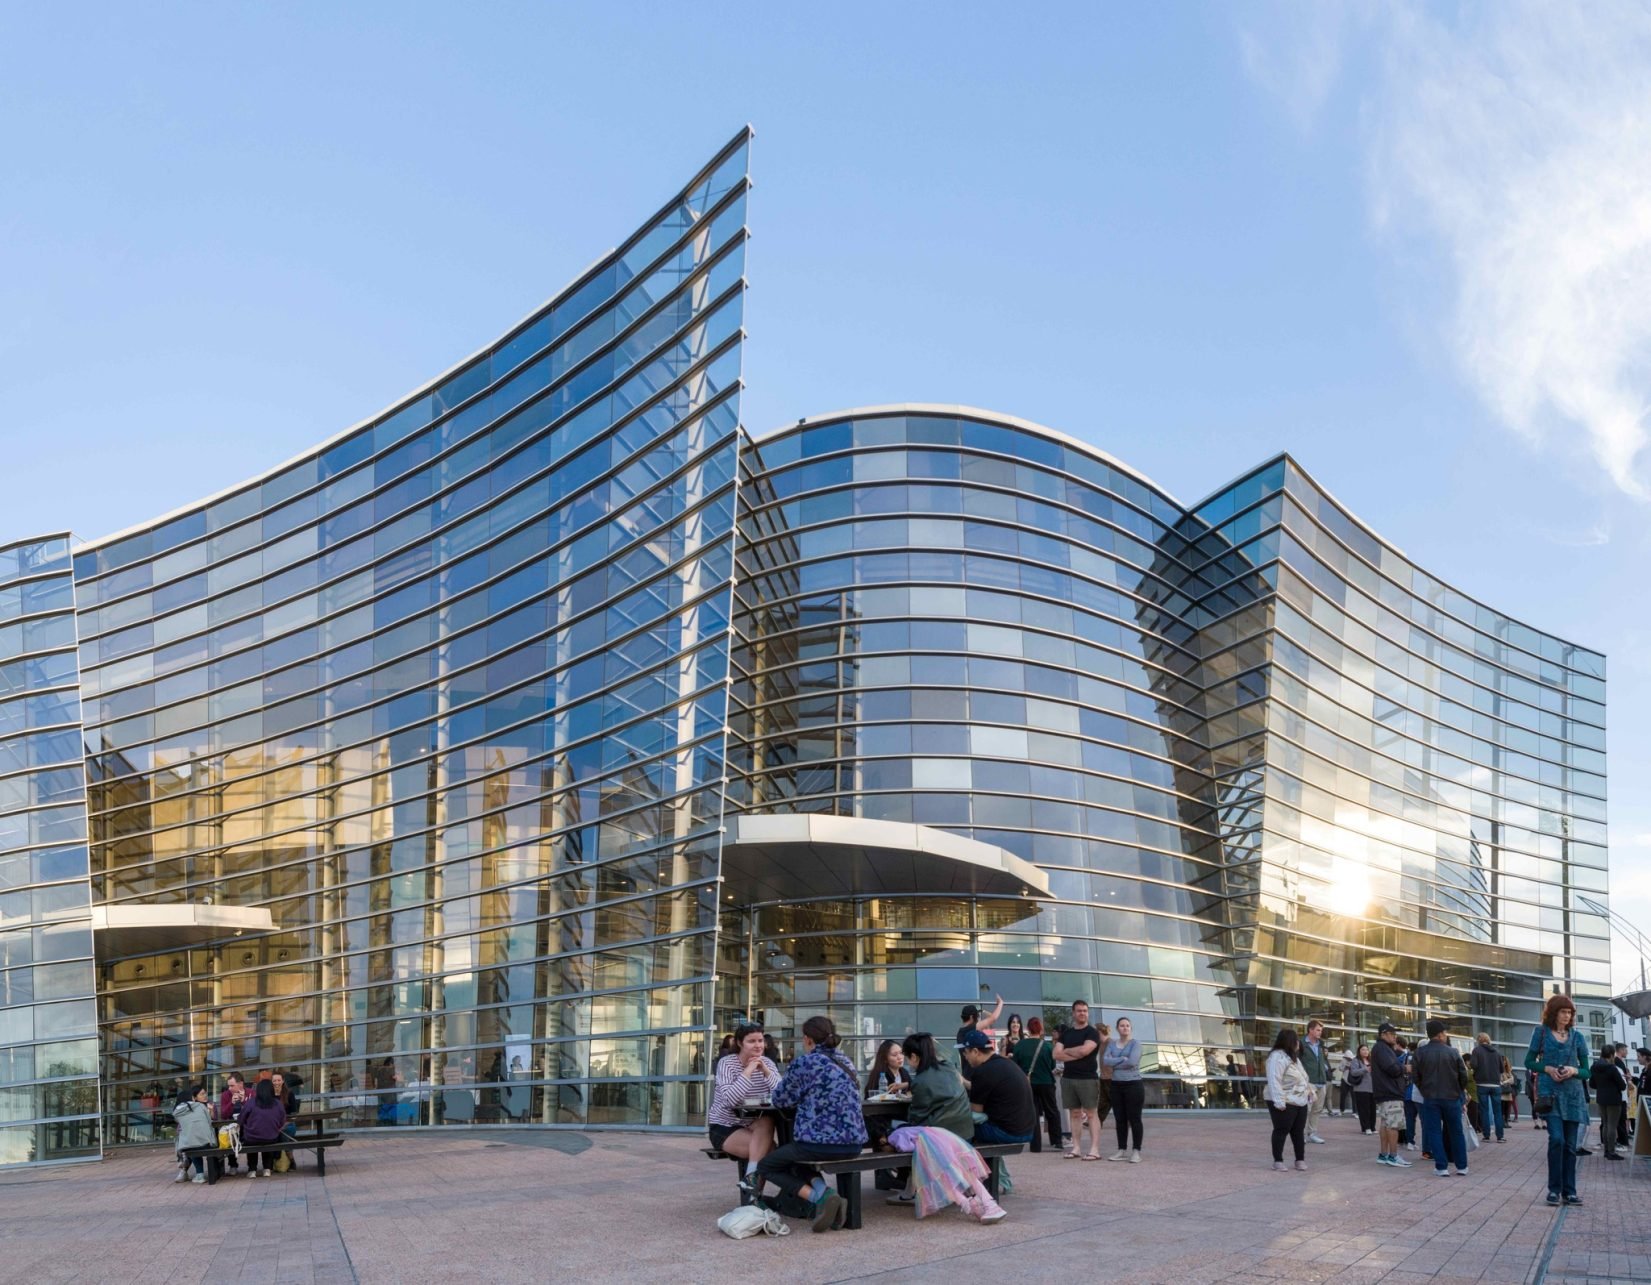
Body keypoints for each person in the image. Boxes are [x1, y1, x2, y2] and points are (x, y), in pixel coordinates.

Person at [752, 1016, 865, 1232]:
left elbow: (781, 1100)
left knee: (767, 1166)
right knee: (793, 1159)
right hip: (854, 1144)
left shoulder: (806, 1063)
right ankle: (827, 1195)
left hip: (818, 1142)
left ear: (807, 1039)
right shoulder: (845, 1061)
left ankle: (819, 1197)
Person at [1525, 992, 1589, 1207]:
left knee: (1570, 1145)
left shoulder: (1578, 1037)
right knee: (1557, 1140)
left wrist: (1573, 1070)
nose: (1566, 1016)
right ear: (1553, 1013)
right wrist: (1548, 1069)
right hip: (1549, 1094)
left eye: (1569, 1012)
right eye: (1563, 1011)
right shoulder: (1541, 1033)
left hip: (1573, 1096)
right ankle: (1554, 1189)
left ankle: (1569, 1191)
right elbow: (1528, 1062)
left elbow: (1587, 1071)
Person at [706, 1023, 780, 1192]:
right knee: (771, 1151)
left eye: (760, 1040)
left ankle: (751, 1178)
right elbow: (730, 1100)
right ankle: (753, 1195)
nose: (758, 1045)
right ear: (740, 1043)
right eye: (751, 1041)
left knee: (767, 1121)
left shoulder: (767, 1062)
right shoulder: (727, 1063)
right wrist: (748, 1071)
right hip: (725, 1125)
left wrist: (767, 1072)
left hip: (753, 1124)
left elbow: (782, 1095)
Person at [959, 1029, 1036, 1146]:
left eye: (965, 1052)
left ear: (975, 1051)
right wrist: (963, 1082)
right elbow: (988, 1087)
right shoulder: (1005, 1063)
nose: (965, 1057)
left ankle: (963, 1162)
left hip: (1008, 1133)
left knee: (960, 1127)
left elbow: (976, 1112)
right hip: (1027, 1130)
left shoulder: (982, 1072)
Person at [1414, 1019, 1469, 1177]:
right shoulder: (1453, 1052)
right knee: (1456, 1131)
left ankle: (1441, 1167)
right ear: (1439, 1034)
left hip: (1430, 1097)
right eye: (1444, 1032)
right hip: (1451, 1097)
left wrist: (1425, 1090)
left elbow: (1415, 1076)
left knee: (1434, 1132)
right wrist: (1458, 1090)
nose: (1445, 1035)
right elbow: (1463, 1076)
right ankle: (1462, 1166)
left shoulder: (1420, 1053)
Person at [1054, 1000, 1104, 1159]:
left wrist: (1067, 1051)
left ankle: (1094, 1150)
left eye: (1084, 1011)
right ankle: (1076, 1148)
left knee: (1091, 1114)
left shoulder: (1092, 1033)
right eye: (1079, 1011)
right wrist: (1076, 1053)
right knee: (1074, 1113)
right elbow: (1056, 1055)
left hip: (1088, 1079)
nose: (1082, 1013)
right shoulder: (1066, 1033)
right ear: (1073, 1013)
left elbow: (1085, 1051)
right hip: (1068, 1078)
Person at [1264, 1028, 1314, 1171]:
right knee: (1281, 1129)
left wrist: (1309, 1092)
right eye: (1296, 1040)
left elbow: (1303, 1077)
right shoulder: (1276, 1057)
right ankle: (1278, 1160)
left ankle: (1300, 1159)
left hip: (1299, 1100)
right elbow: (1274, 1079)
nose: (1298, 1043)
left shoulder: (1293, 1057)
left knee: (1298, 1131)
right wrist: (1279, 1101)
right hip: (1285, 1100)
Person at [1012, 1016, 1061, 1153]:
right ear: (1041, 1030)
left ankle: (1035, 1145)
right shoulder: (1047, 1046)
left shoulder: (1020, 1045)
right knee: (1052, 1111)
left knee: (1033, 1113)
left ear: (1027, 1028)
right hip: (1046, 1083)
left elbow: (1015, 1065)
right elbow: (1052, 1065)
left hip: (1028, 1084)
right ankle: (1057, 1141)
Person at [1370, 1022, 1413, 1168]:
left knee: (1385, 1124)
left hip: (1386, 1092)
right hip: (1390, 1092)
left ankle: (1384, 1154)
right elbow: (1392, 1069)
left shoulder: (1382, 1048)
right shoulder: (1382, 1049)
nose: (1395, 1036)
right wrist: (1405, 1068)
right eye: (1391, 1033)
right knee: (1393, 1125)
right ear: (1383, 1034)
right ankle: (1393, 1156)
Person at [1103, 1015, 1144, 1163]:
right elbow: (1105, 1061)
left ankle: (1136, 1151)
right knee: (1120, 1119)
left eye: (1127, 1025)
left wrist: (1114, 1062)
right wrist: (1121, 1059)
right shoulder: (1112, 1044)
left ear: (1130, 1028)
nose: (1125, 1027)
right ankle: (1121, 1150)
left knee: (1135, 1119)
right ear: (1117, 1028)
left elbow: (1133, 1062)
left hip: (1134, 1085)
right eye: (1122, 1025)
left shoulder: (1135, 1044)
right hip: (1116, 1085)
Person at [239, 1077, 287, 1178]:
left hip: (251, 1139)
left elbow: (241, 1120)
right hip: (271, 1137)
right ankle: (267, 1169)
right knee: (268, 1137)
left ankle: (252, 1170)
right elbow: (282, 1120)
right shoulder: (277, 1103)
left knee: (251, 1142)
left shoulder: (251, 1102)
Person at [1589, 1042, 1628, 1161]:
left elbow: (1592, 1083)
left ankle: (1606, 1150)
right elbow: (1622, 1086)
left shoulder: (1594, 1066)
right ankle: (1611, 1151)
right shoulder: (1612, 1068)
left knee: (1605, 1125)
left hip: (1601, 1098)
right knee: (1612, 1126)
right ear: (1611, 1055)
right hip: (1614, 1100)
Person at [172, 1083, 216, 1184]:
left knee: (190, 1143)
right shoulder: (200, 1107)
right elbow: (210, 1123)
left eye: (205, 1093)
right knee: (193, 1141)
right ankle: (189, 1170)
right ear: (193, 1097)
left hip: (190, 1144)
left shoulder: (179, 1112)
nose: (205, 1096)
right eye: (202, 1094)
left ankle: (187, 1170)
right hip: (205, 1142)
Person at [1468, 1033, 1505, 1142]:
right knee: (1497, 1111)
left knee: (1484, 1110)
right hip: (1495, 1085)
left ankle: (1487, 1135)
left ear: (1479, 1040)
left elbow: (1473, 1065)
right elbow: (1502, 1069)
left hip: (1482, 1084)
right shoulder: (1497, 1052)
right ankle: (1500, 1136)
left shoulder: (1477, 1050)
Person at [1299, 1019, 1331, 1143]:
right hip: (1309, 1082)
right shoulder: (1301, 1043)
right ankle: (1300, 1134)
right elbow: (1297, 1062)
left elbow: (1322, 1061)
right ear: (1310, 1030)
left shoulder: (1321, 1044)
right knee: (1305, 1109)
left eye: (1321, 1030)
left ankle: (1312, 1133)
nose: (1320, 1032)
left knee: (1317, 1109)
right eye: (1318, 1030)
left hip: (1321, 1081)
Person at [217, 1072, 248, 1174]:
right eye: (228, 1085)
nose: (229, 1088)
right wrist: (232, 1103)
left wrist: (244, 1101)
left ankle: (252, 1166)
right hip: (232, 1127)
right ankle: (233, 1165)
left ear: (240, 1084)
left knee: (251, 1134)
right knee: (229, 1133)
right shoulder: (225, 1095)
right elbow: (224, 1114)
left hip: (247, 1125)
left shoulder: (250, 1092)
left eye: (232, 1085)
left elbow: (255, 1111)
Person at [1349, 1044, 1376, 1135]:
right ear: (1359, 1051)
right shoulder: (1355, 1061)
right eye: (1363, 1050)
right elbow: (1354, 1072)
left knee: (1372, 1109)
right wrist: (1365, 1069)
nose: (1365, 1051)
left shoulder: (1371, 1061)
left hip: (1372, 1089)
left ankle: (1372, 1127)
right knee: (1364, 1109)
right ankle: (1366, 1127)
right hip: (1361, 1089)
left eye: (1367, 1050)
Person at [1500, 1055, 1518, 1125]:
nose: (1504, 1062)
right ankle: (1503, 1122)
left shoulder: (1508, 1071)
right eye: (1502, 1060)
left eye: (1505, 1060)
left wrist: (1505, 1081)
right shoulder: (1499, 1070)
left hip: (1508, 1092)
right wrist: (1507, 1080)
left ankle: (1506, 1122)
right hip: (1502, 1092)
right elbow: (1499, 1081)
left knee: (1507, 1108)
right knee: (1502, 1107)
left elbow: (1512, 1080)